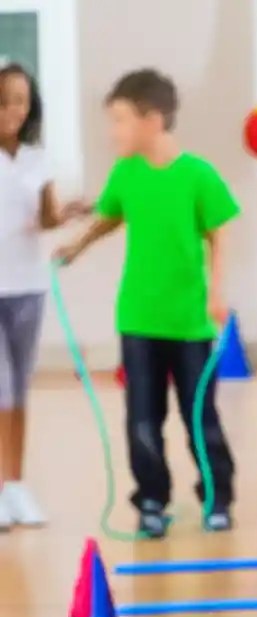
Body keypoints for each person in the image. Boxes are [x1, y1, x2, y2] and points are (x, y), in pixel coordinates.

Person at [55, 68, 239, 538]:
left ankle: (218, 497)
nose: (112, 132)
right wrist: (75, 247)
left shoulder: (198, 175)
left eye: (120, 120)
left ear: (153, 120)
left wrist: (218, 291)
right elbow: (107, 217)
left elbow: (221, 233)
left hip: (191, 322)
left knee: (201, 415)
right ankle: (152, 500)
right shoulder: (126, 174)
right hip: (138, 319)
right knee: (142, 416)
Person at [0, 63, 90, 529]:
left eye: (20, 99)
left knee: (19, 392)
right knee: (0, 390)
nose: (13, 109)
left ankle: (15, 486)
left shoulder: (36, 158)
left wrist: (69, 214)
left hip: (27, 287)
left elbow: (46, 217)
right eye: (4, 100)